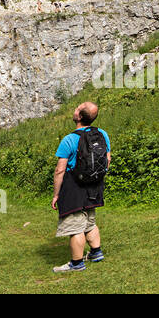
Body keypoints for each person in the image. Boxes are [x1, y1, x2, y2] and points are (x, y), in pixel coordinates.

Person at [51, 100, 111, 271]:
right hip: (95, 184)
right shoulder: (102, 134)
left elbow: (59, 170)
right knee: (89, 221)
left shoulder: (69, 139)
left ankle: (76, 263)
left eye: (77, 108)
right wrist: (96, 178)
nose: (75, 109)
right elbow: (107, 159)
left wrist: (56, 194)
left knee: (75, 226)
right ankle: (96, 252)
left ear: (79, 116)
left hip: (74, 185)